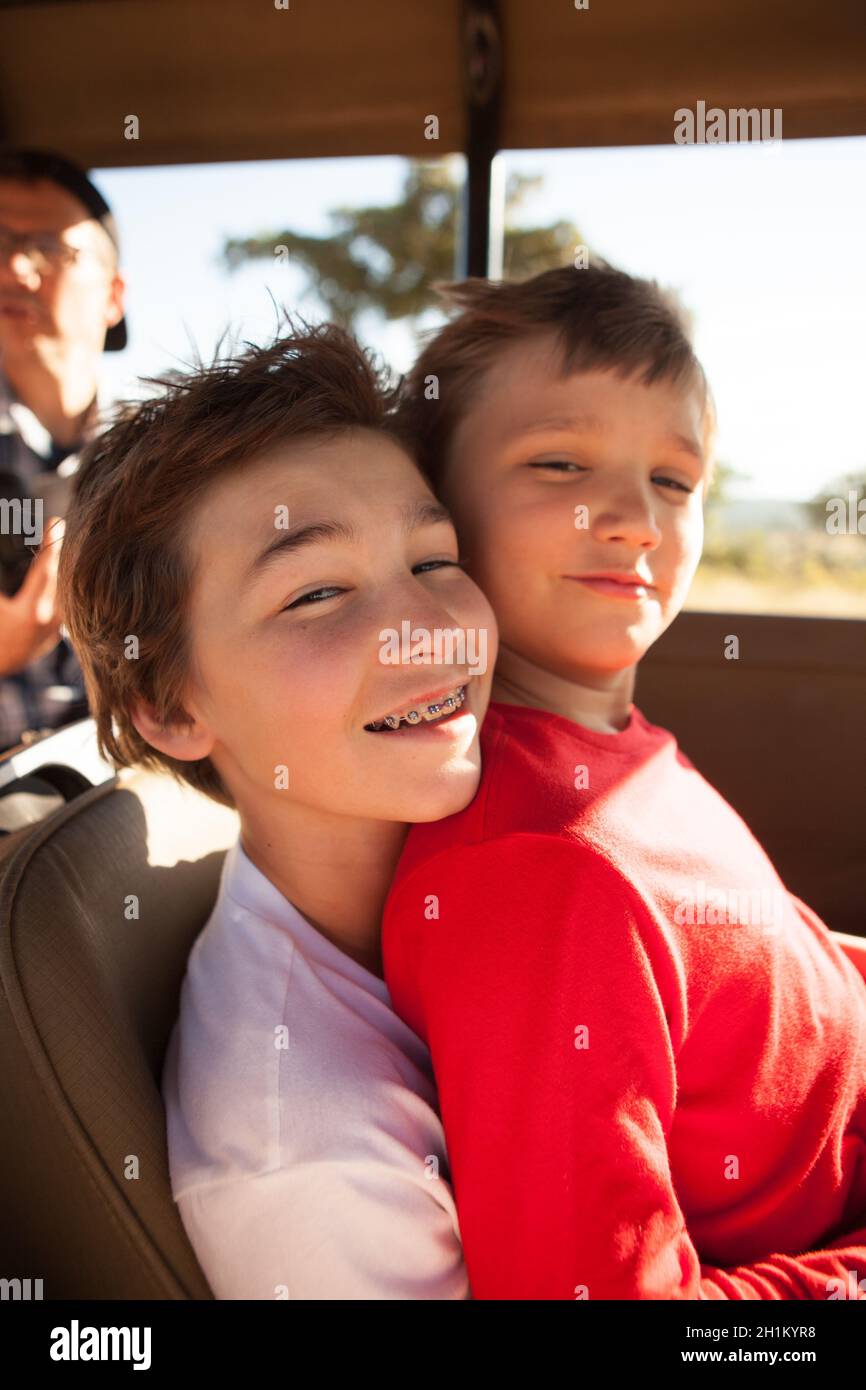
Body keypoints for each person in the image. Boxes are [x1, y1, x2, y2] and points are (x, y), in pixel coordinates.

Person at [381, 263, 866, 1300]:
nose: (635, 518)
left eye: (674, 481)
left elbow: (732, 956)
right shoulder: (538, 869)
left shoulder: (614, 747)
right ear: (432, 511)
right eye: (558, 463)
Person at [57, 323, 497, 1299]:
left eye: (433, 561)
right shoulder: (308, 1147)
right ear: (172, 707)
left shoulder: (489, 850)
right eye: (318, 591)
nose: (429, 633)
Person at [0, 148, 127, 751]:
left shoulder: (176, 456)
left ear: (113, 294)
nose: (16, 270)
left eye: (49, 248)